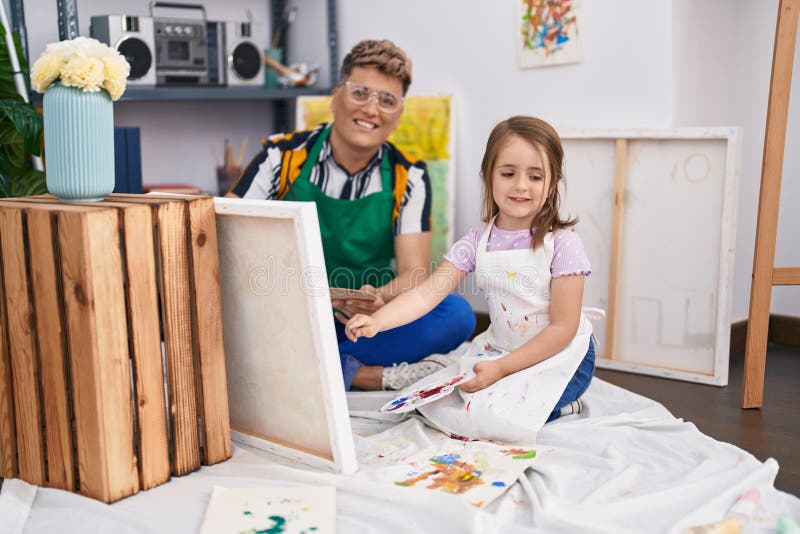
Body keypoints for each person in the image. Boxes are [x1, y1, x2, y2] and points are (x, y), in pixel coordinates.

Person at [228, 39, 475, 391]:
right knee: (234, 316)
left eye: (387, 100)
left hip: (357, 322)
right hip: (284, 308)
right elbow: (228, 235)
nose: (372, 109)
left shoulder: (410, 177)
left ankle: (307, 365)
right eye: (360, 93)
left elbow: (412, 275)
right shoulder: (281, 158)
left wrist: (380, 299)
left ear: (398, 114)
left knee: (456, 315)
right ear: (335, 96)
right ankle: (357, 374)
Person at [345, 116, 595, 442]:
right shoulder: (477, 241)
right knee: (434, 402)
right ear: (488, 177)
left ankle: (563, 407)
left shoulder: (563, 244)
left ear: (552, 183)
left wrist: (503, 370)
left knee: (494, 417)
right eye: (508, 173)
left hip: (561, 358)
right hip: (500, 349)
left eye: (535, 176)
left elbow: (563, 328)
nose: (521, 185)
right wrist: (377, 321)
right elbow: (427, 294)